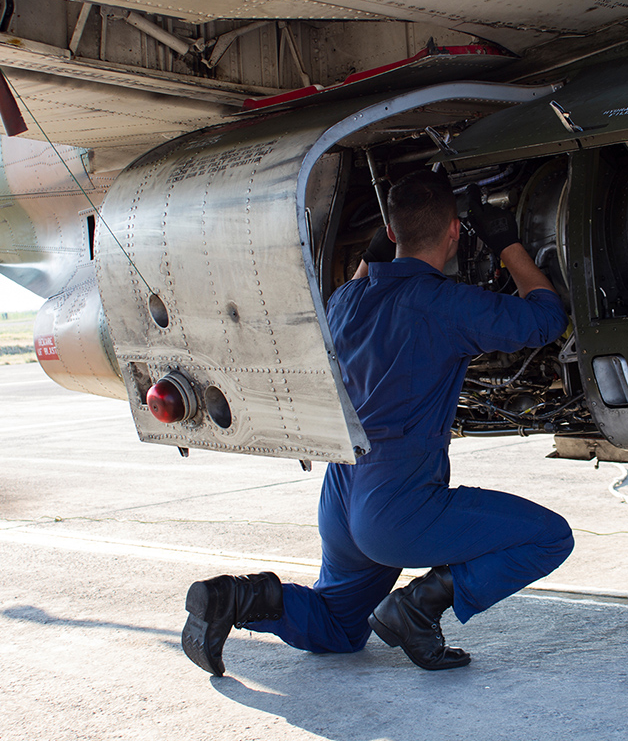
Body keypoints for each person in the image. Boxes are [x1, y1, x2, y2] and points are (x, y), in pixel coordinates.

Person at [182, 169, 573, 675]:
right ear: (454, 231)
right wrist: (506, 242)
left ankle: (234, 599)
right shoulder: (448, 305)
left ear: (390, 233)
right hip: (398, 505)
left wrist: (373, 252)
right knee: (549, 537)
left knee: (341, 630)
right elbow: (545, 318)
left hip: (343, 495)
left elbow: (364, 280)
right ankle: (419, 606)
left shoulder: (346, 301)